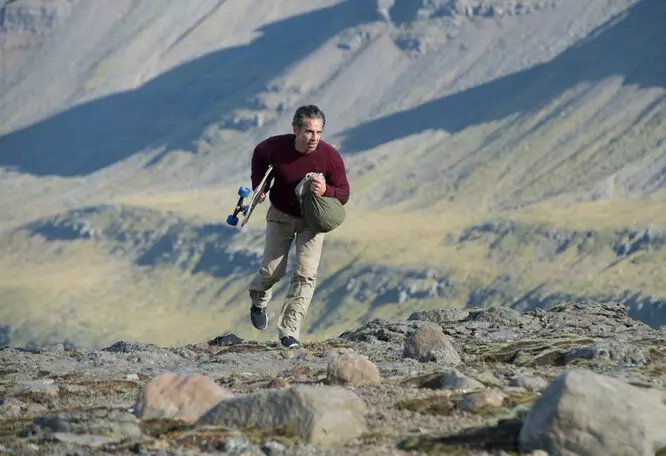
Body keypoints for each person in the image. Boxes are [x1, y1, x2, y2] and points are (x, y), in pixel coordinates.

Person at [247, 104, 350, 349]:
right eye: (308, 132)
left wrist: (327, 191)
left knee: (306, 274)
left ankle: (289, 332)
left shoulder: (330, 156)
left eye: (318, 133)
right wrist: (258, 187)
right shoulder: (275, 147)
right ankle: (258, 300)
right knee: (272, 271)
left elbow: (344, 193)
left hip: (311, 221)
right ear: (296, 129)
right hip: (281, 215)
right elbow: (259, 155)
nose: (314, 138)